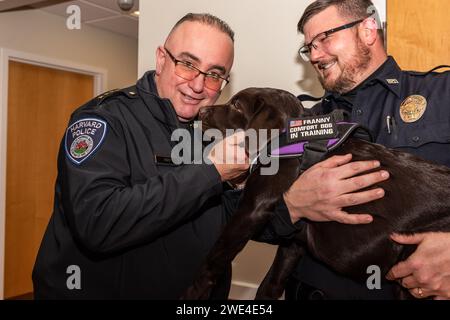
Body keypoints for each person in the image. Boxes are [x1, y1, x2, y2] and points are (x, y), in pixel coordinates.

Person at [32, 13, 250, 299]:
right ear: (161, 59)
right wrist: (210, 172)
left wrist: (242, 188)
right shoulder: (104, 119)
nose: (198, 85)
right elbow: (98, 224)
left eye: (214, 74)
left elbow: (223, 226)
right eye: (187, 64)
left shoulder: (213, 132)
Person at [281, 0, 450, 300]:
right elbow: (254, 218)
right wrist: (292, 206)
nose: (315, 55)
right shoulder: (302, 123)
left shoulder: (442, 94)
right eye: (309, 47)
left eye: (325, 38)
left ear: (368, 29)